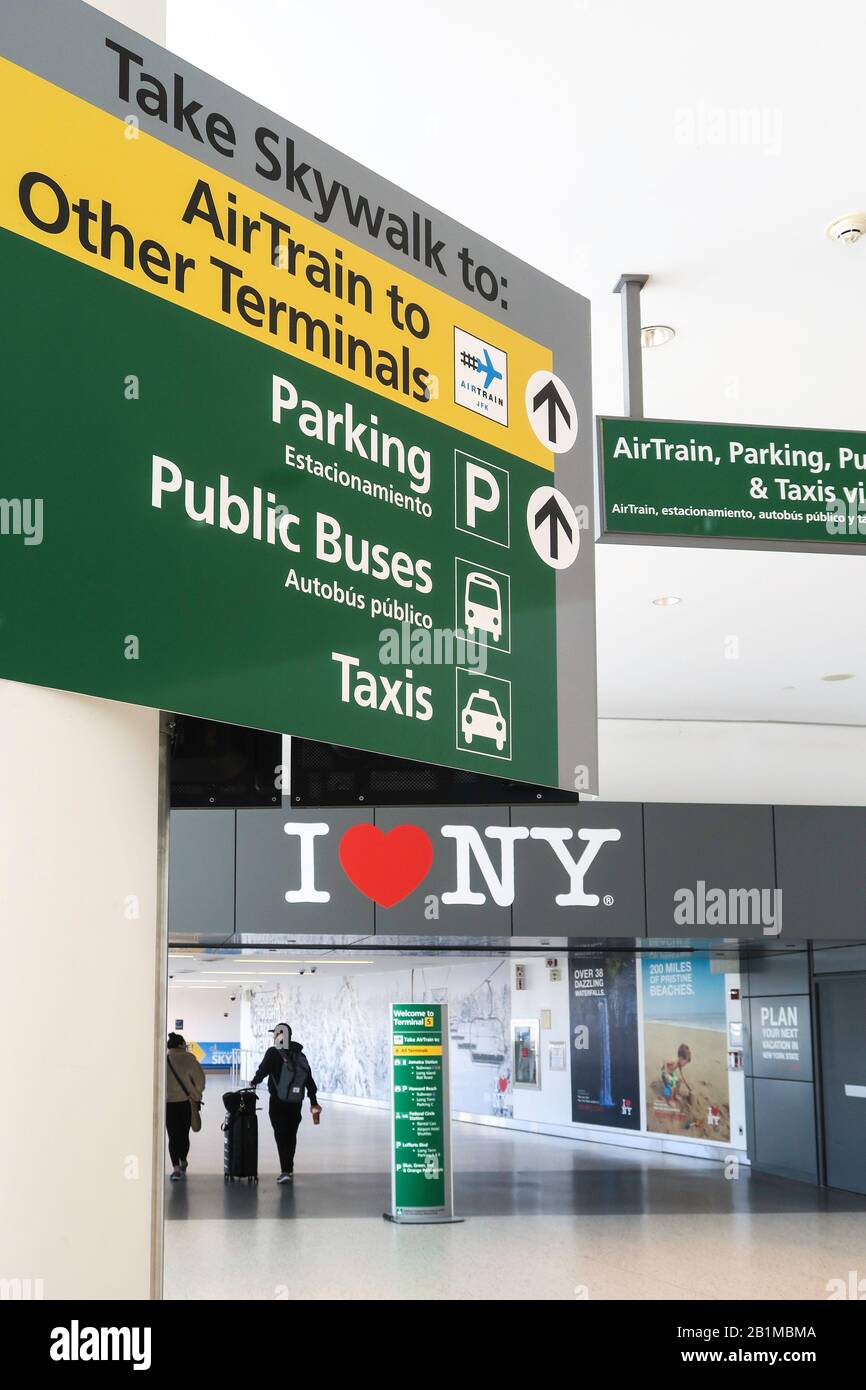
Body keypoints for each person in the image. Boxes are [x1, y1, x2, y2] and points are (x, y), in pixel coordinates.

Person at [249, 1023, 321, 1184]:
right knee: (291, 1135)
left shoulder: (273, 1053)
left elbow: (263, 1070)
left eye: (275, 1034)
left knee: (281, 1135)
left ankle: (285, 1171)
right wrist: (313, 1102)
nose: (273, 1037)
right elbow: (309, 1080)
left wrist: (254, 1081)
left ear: (280, 1036)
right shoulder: (299, 1054)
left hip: (278, 1102)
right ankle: (289, 1166)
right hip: (296, 1102)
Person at [165, 1033, 206, 1181]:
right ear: (181, 1044)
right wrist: (196, 1094)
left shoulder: (164, 1060)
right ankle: (183, 1160)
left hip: (168, 1104)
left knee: (172, 1136)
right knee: (184, 1134)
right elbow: (200, 1081)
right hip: (186, 1103)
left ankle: (175, 1168)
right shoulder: (189, 1059)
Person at [660, 1043, 693, 1119]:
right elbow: (665, 1061)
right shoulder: (674, 1060)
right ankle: (670, 1099)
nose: (685, 1065)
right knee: (671, 1086)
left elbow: (681, 1074)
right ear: (681, 1058)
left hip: (670, 1073)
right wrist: (665, 1073)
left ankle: (676, 1094)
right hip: (665, 1074)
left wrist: (683, 1080)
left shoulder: (679, 1063)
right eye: (685, 1062)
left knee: (678, 1081)